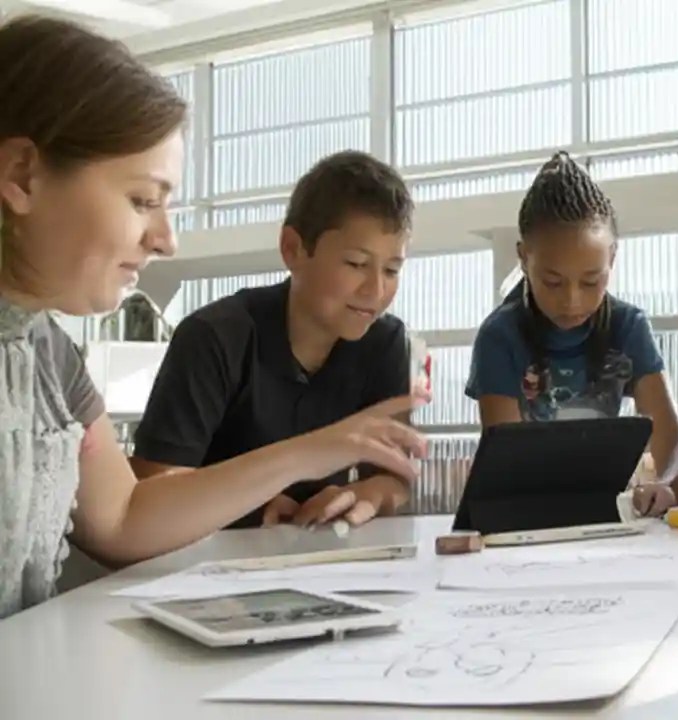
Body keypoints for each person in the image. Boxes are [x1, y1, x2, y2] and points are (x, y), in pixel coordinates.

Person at [0, 15, 425, 619]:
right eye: (143, 199)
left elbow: (123, 518)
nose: (166, 239)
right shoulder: (218, 335)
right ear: (22, 176)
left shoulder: (49, 352)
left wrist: (312, 454)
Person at [130, 150, 420, 530]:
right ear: (293, 250)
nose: (376, 290)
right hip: (201, 562)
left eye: (392, 269)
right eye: (356, 264)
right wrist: (253, 505)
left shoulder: (385, 342)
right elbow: (151, 494)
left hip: (310, 558)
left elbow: (393, 475)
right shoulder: (214, 337)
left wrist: (366, 494)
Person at [465, 152, 678, 516]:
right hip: (524, 514)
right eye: (552, 281)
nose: (572, 301)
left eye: (592, 281)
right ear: (524, 259)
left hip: (607, 513)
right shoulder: (500, 337)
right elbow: (505, 466)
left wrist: (667, 487)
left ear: (613, 259)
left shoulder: (628, 327)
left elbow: (675, 447)